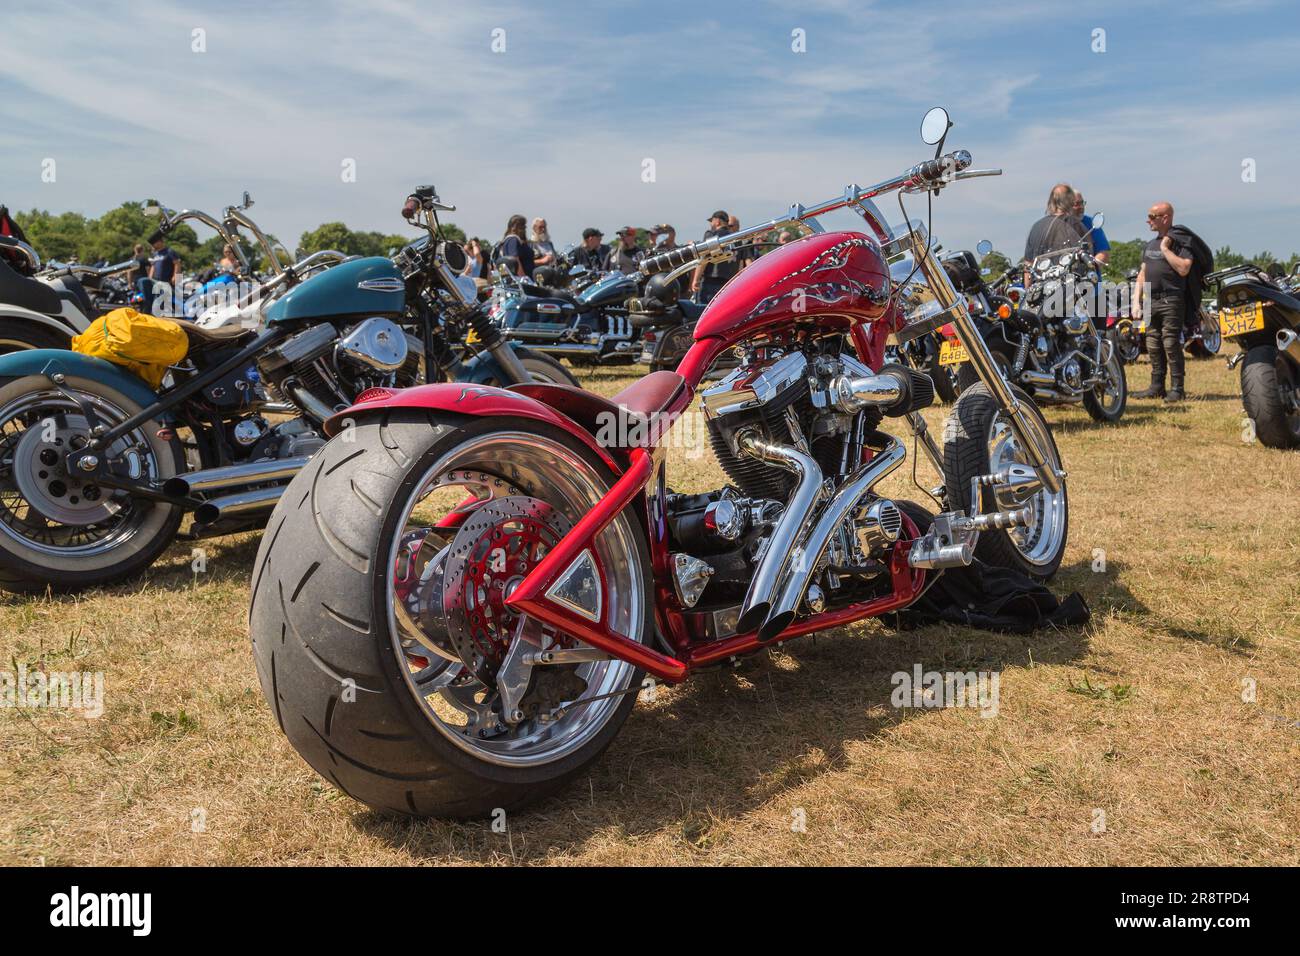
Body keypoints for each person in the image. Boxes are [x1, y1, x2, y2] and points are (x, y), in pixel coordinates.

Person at [1131, 202, 1194, 402]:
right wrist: (1136, 300)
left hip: (1171, 299)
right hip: (1151, 300)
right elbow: (1142, 273)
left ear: (1165, 218)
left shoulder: (1181, 243)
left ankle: (1177, 388)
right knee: (1152, 344)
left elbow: (1184, 268)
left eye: (1152, 216)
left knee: (1170, 343)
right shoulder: (1148, 245)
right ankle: (1157, 386)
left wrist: (1166, 249)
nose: (1148, 220)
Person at [1023, 184, 1089, 280]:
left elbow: (1028, 265)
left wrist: (1028, 292)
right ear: (1070, 201)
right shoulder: (1075, 224)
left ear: (1051, 201)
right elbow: (1088, 258)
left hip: (1041, 288)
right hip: (1069, 287)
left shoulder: (1036, 226)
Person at [691, 209, 736, 304]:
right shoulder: (735, 238)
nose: (711, 224)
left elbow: (703, 259)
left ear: (717, 221)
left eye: (712, 221)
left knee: (704, 312)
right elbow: (741, 263)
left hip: (710, 283)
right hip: (729, 285)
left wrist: (696, 279)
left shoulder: (712, 235)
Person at [140, 235, 179, 315]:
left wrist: (175, 276)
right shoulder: (156, 254)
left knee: (161, 301)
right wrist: (150, 278)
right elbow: (153, 266)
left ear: (160, 242)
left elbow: (177, 264)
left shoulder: (169, 251)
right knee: (143, 282)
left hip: (166, 280)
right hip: (155, 280)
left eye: (154, 243)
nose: (153, 245)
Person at [1072, 191, 1110, 264]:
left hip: (1087, 273)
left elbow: (1103, 252)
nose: (1081, 207)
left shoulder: (1092, 223)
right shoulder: (1057, 225)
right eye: (1076, 204)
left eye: (1082, 203)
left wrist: (1091, 265)